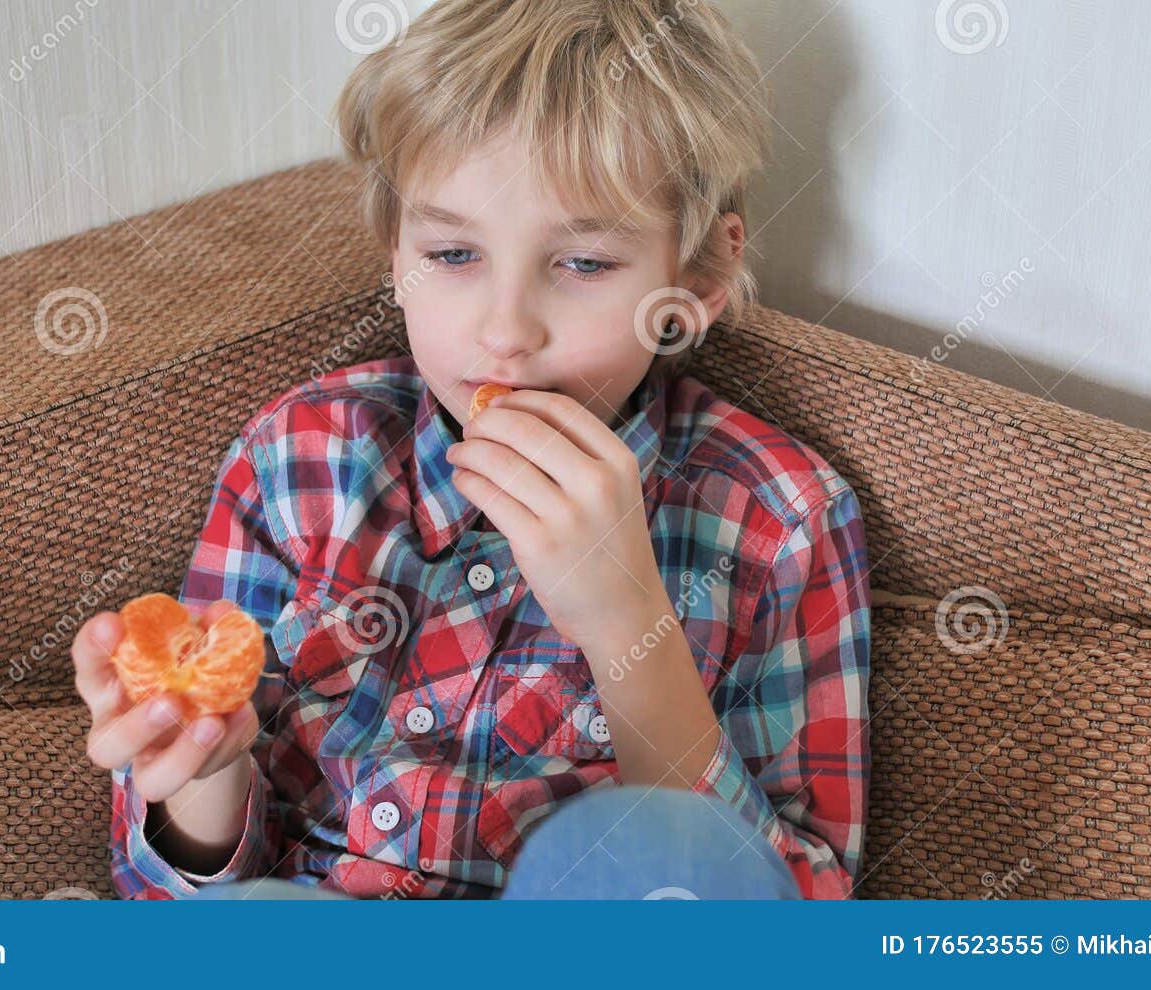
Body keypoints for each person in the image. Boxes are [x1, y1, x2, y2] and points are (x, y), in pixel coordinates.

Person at [73, 0, 871, 900]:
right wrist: (205, 770)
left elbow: (795, 921)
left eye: (583, 264)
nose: (506, 333)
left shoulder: (780, 519)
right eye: (453, 254)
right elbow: (173, 894)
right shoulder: (298, 459)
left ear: (696, 281)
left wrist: (625, 625)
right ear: (394, 254)